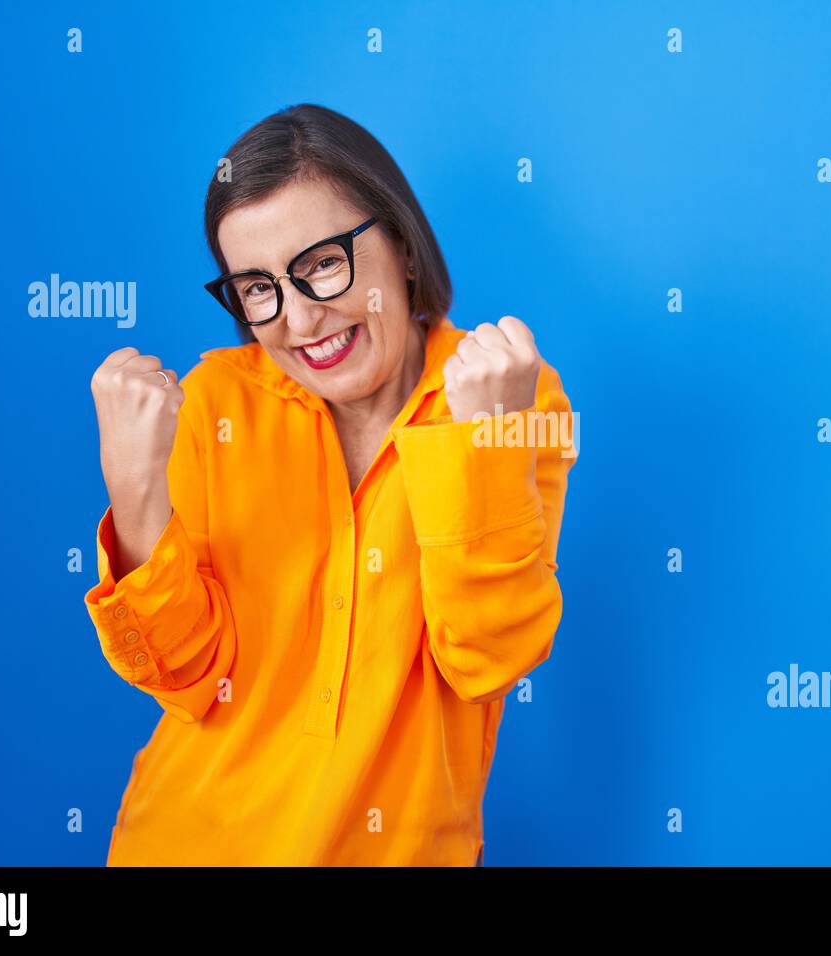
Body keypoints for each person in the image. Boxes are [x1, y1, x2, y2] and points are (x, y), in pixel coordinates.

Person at [83, 104, 577, 865]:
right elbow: (184, 675)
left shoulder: (520, 399)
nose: (300, 320)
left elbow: (488, 658)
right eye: (258, 287)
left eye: (320, 264)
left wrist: (483, 444)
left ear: (403, 245)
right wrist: (136, 494)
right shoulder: (216, 403)